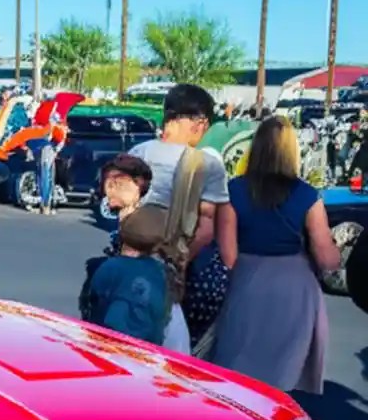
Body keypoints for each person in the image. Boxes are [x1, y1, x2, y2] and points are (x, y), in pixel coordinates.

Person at [211, 117, 340, 393]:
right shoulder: (308, 195)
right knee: (283, 373)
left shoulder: (233, 190)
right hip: (295, 287)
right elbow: (327, 258)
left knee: (239, 368)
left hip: (248, 283)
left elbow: (228, 255)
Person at [127, 84, 231, 346]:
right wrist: (178, 262)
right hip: (177, 271)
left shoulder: (137, 153)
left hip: (129, 264)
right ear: (200, 123)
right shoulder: (208, 165)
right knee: (176, 349)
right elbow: (206, 229)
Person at [82, 206, 169, 346]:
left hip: (106, 342)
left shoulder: (109, 266)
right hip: (146, 348)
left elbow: (93, 301)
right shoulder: (160, 272)